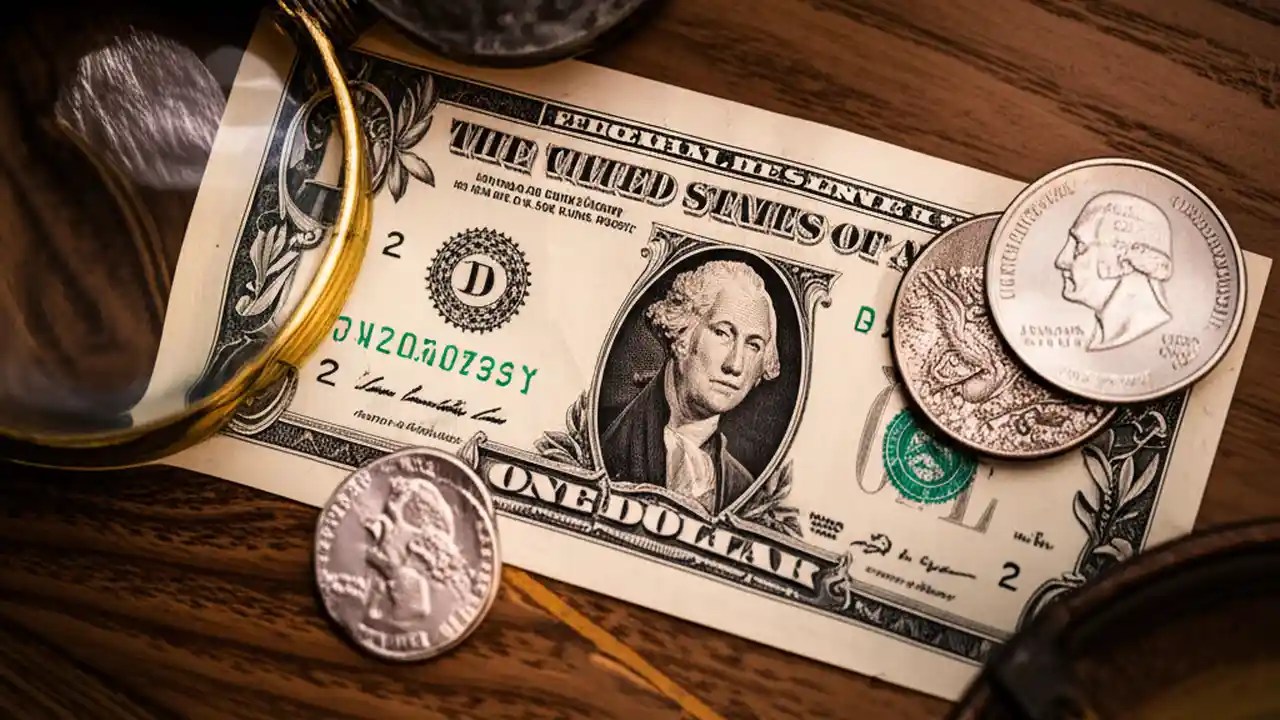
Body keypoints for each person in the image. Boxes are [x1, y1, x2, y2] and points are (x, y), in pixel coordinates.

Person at [602, 259, 780, 514]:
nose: (735, 365)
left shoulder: (743, 487)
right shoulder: (601, 431)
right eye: (722, 333)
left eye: (753, 345)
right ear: (683, 333)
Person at [1054, 192, 1175, 351]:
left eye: (1079, 246)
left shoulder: (1145, 337)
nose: (1061, 261)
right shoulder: (1102, 337)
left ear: (1123, 263)